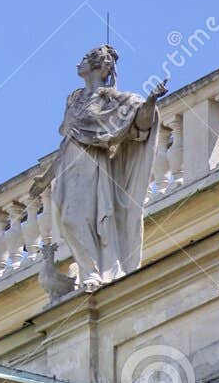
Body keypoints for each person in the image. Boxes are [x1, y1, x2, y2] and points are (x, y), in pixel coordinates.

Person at [47, 45, 166, 290]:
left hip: (92, 162)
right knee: (67, 219)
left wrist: (151, 102)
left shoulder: (113, 99)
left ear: (98, 66)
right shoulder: (74, 98)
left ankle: (94, 272)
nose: (77, 64)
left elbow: (141, 125)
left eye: (83, 59)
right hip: (69, 162)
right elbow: (68, 136)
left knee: (78, 218)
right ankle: (90, 269)